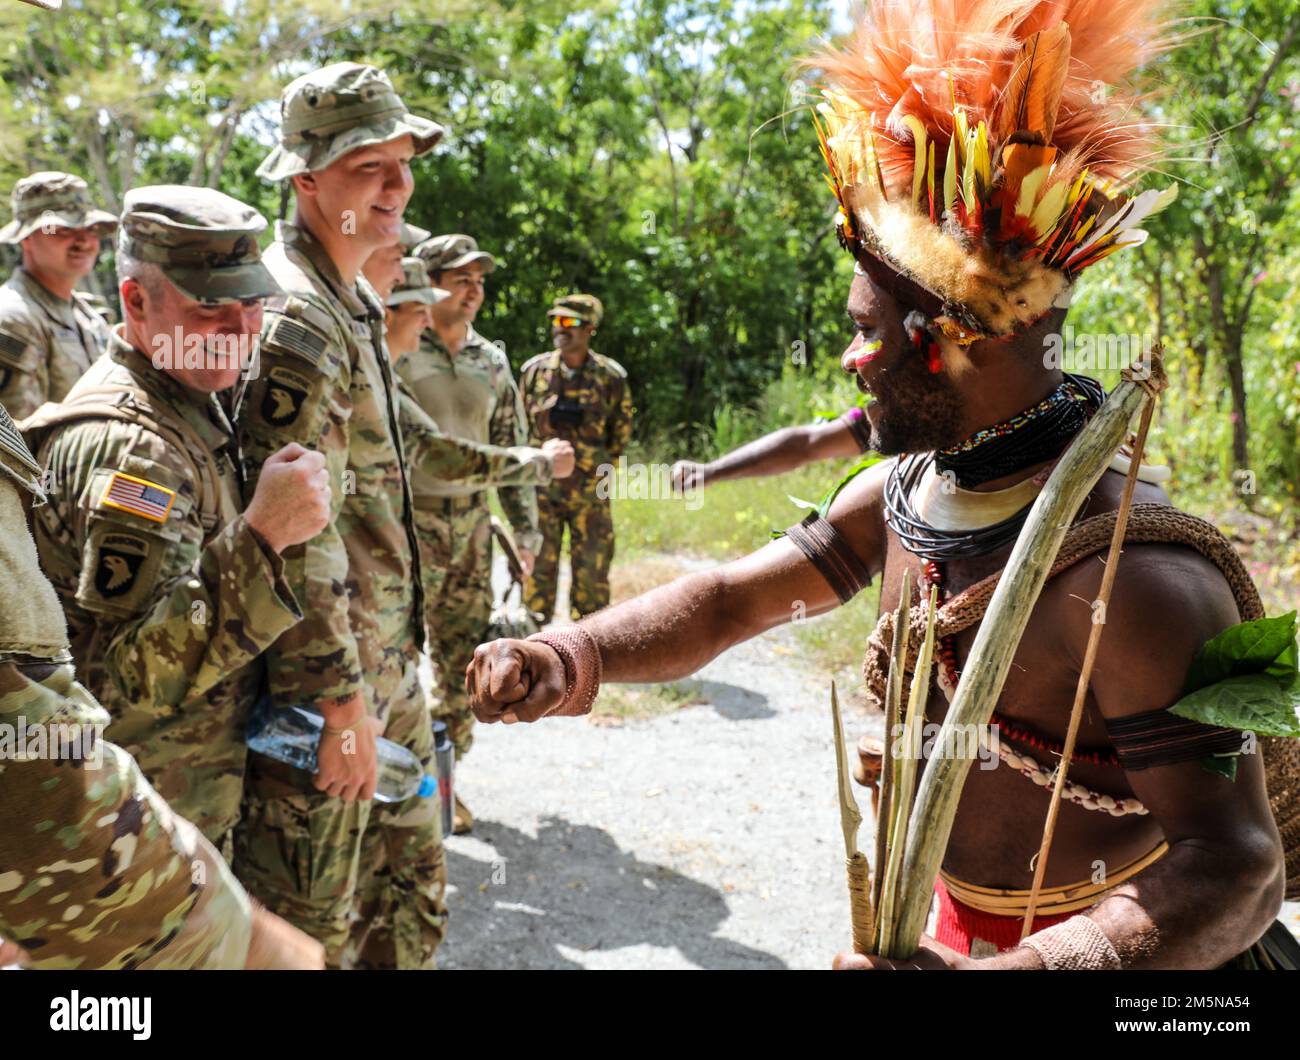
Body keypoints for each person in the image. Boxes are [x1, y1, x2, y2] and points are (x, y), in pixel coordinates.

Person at [467, 0, 1298, 969]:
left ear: (961, 342)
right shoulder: (910, 494)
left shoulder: (1136, 576)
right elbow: (730, 601)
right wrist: (569, 654)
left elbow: (1237, 869)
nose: (851, 360)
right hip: (944, 938)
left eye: (868, 331)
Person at [22, 185, 329, 856]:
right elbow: (132, 680)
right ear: (135, 302)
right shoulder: (133, 450)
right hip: (129, 841)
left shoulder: (189, 394)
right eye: (211, 307)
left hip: (175, 813)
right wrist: (263, 536)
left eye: (252, 302)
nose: (243, 328)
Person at [233, 61, 448, 969]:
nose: (397, 185)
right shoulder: (298, 315)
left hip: (385, 665)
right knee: (313, 932)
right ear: (306, 178)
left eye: (404, 162)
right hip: (331, 692)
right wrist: (338, 702)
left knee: (409, 910)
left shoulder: (353, 296)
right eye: (370, 166)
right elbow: (296, 535)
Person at [401, 233, 550, 831]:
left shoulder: (492, 359)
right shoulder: (401, 348)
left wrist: (527, 532)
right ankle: (393, 787)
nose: (473, 290)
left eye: (479, 281)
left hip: (469, 530)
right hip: (404, 529)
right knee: (391, 661)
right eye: (460, 278)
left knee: (466, 666)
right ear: (427, 281)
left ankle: (442, 786)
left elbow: (511, 448)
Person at [519, 293, 633, 621]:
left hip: (590, 495)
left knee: (592, 583)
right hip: (542, 492)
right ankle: (531, 654)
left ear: (590, 328)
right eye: (557, 321)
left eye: (570, 322)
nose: (561, 328)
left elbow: (619, 437)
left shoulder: (611, 377)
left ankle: (588, 659)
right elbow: (519, 432)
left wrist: (595, 469)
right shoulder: (534, 372)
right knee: (537, 580)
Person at [0, 171, 115, 418]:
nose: (83, 240)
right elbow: (11, 445)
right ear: (27, 238)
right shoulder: (13, 320)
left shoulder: (89, 315)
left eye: (91, 228)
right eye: (63, 229)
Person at [670, 408, 874, 494]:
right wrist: (711, 471)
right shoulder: (884, 417)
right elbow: (806, 444)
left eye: (867, 329)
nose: (849, 358)